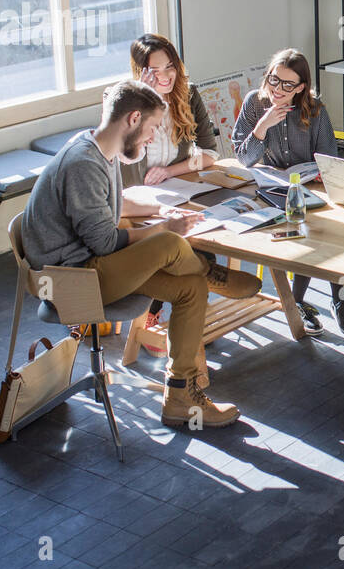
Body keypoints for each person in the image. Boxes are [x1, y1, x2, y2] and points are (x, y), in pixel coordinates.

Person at [21, 79, 262, 428]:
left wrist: (164, 215)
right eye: (151, 128)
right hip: (69, 284)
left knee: (190, 289)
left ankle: (180, 395)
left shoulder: (96, 149)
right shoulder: (83, 164)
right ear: (133, 119)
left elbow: (114, 206)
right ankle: (211, 273)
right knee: (167, 245)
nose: (152, 138)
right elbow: (105, 242)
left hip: (88, 267)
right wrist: (163, 230)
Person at [231, 48, 344, 339]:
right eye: (274, 80)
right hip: (270, 191)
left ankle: (337, 298)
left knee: (325, 230)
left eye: (288, 85)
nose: (278, 90)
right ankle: (300, 301)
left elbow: (330, 162)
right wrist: (263, 126)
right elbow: (243, 158)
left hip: (311, 189)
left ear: (301, 87)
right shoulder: (255, 102)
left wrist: (315, 174)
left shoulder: (315, 109)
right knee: (302, 227)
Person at [122, 34, 219, 350]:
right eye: (154, 71)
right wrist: (146, 100)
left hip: (178, 191)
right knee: (171, 243)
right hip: (135, 202)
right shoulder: (127, 104)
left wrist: (170, 171)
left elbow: (209, 154)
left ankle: (190, 312)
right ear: (140, 73)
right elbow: (124, 161)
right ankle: (160, 311)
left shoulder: (187, 95)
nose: (164, 77)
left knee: (205, 232)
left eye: (170, 68)